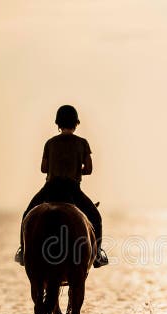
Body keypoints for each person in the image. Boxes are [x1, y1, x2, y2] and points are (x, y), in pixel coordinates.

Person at [15, 105, 108, 267]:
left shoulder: (50, 143)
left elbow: (43, 168)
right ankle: (98, 254)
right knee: (96, 218)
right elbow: (89, 169)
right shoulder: (82, 143)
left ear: (58, 123)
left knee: (26, 215)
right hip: (72, 189)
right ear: (76, 123)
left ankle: (23, 252)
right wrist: (75, 169)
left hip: (50, 188)